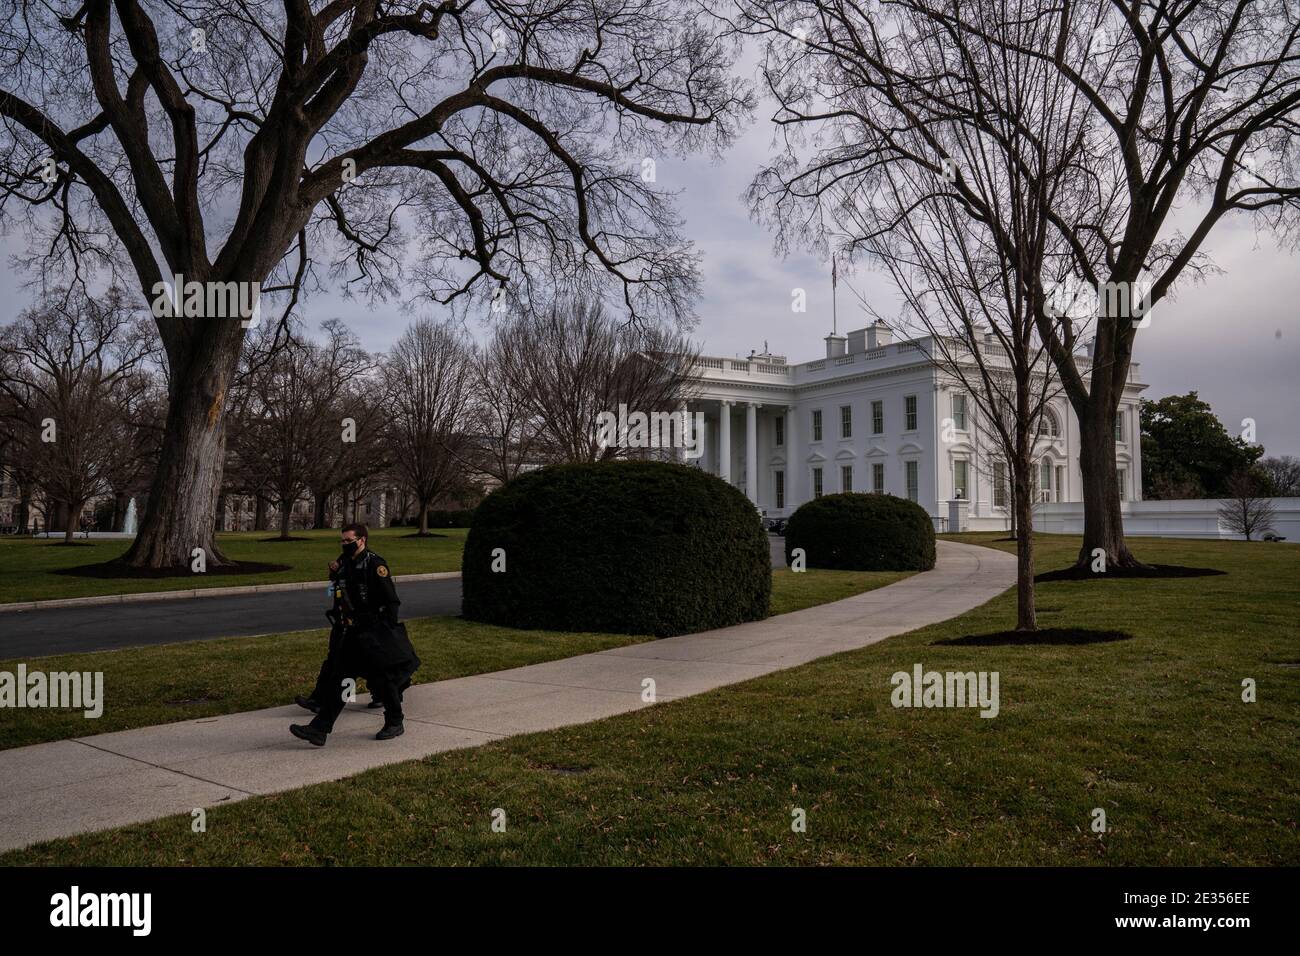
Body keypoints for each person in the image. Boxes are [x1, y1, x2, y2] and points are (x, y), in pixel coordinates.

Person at [290, 523, 420, 745]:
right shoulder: (346, 564)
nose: (345, 545)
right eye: (342, 541)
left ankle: (395, 721)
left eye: (349, 541)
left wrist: (383, 632)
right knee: (341, 678)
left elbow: (391, 602)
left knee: (383, 679)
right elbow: (340, 589)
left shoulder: (375, 565)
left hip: (373, 633)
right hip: (353, 631)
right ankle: (320, 729)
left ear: (362, 540)